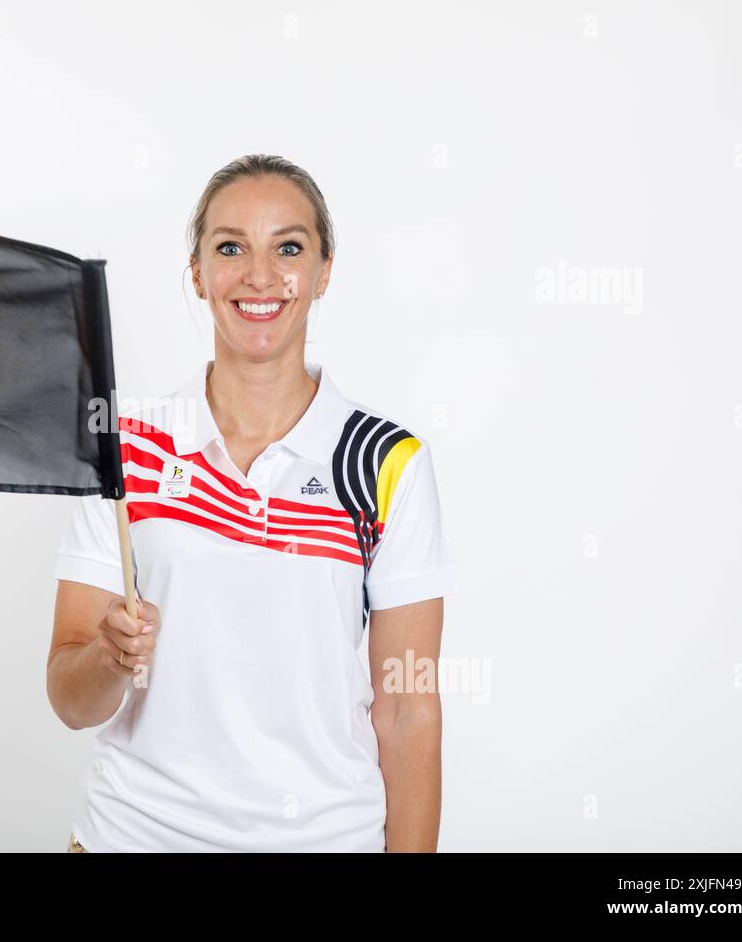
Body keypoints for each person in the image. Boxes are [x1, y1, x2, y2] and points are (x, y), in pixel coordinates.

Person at [46, 155, 458, 852]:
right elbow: (70, 699)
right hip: (132, 837)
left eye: (289, 247)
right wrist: (110, 659)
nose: (260, 276)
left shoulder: (387, 464)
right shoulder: (125, 448)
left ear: (325, 269)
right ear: (199, 272)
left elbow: (409, 706)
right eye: (231, 247)